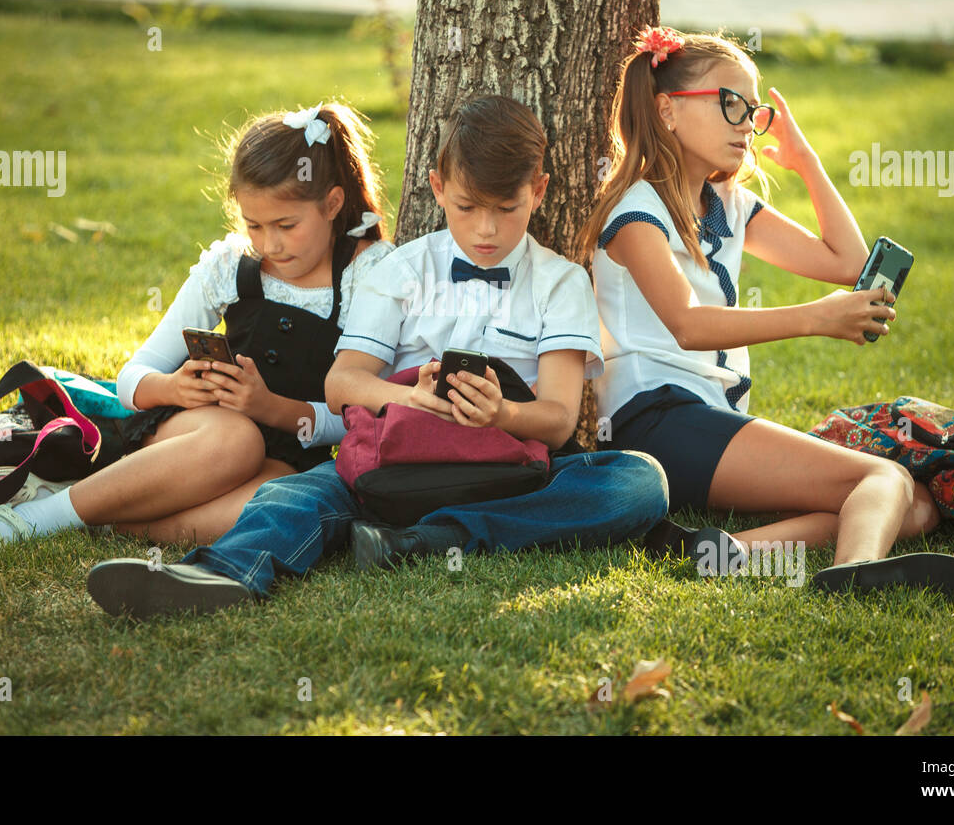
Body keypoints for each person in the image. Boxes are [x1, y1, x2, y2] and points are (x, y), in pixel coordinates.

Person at [84, 94, 669, 617]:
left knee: (638, 481)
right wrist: (407, 395)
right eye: (466, 208)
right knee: (294, 493)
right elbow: (343, 383)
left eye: (507, 209)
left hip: (506, 473)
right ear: (437, 188)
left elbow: (561, 418)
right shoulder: (400, 268)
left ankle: (428, 540)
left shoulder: (560, 282)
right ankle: (215, 575)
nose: (486, 230)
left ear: (537, 192)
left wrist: (503, 414)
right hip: (389, 470)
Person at [581, 26, 954, 604]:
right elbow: (689, 325)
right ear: (667, 111)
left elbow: (847, 261)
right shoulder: (635, 211)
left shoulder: (725, 202)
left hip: (708, 418)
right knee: (882, 478)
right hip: (657, 421)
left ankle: (726, 554)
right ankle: (854, 575)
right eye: (729, 104)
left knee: (914, 506)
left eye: (754, 110)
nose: (746, 122)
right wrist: (815, 318)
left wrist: (806, 162)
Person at [0, 102, 394, 546]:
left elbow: (364, 417)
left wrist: (270, 407)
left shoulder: (367, 275)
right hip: (200, 433)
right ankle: (32, 519)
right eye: (254, 225)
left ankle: (98, 512)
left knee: (275, 497)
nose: (269, 244)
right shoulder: (229, 266)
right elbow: (132, 378)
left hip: (287, 454)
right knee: (238, 440)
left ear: (333, 203)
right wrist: (174, 388)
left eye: (286, 224)